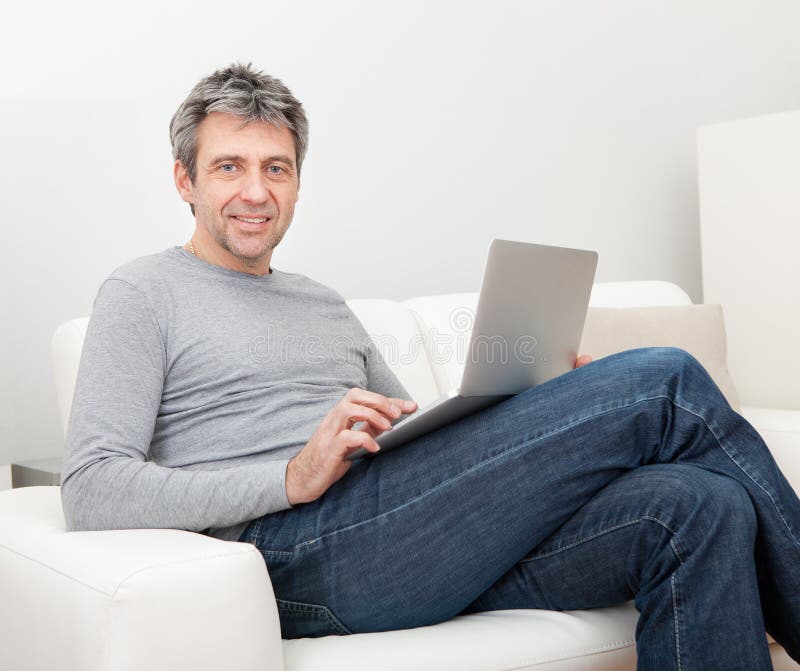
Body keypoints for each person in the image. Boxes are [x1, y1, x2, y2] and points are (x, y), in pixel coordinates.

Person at [61, 63, 799, 670]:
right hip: (291, 551)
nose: (256, 191)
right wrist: (290, 477)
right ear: (185, 181)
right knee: (665, 379)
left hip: (402, 536)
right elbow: (91, 488)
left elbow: (413, 441)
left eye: (276, 168)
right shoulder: (142, 292)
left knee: (699, 505)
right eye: (230, 166)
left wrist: (542, 404)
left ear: (296, 182)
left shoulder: (321, 302)